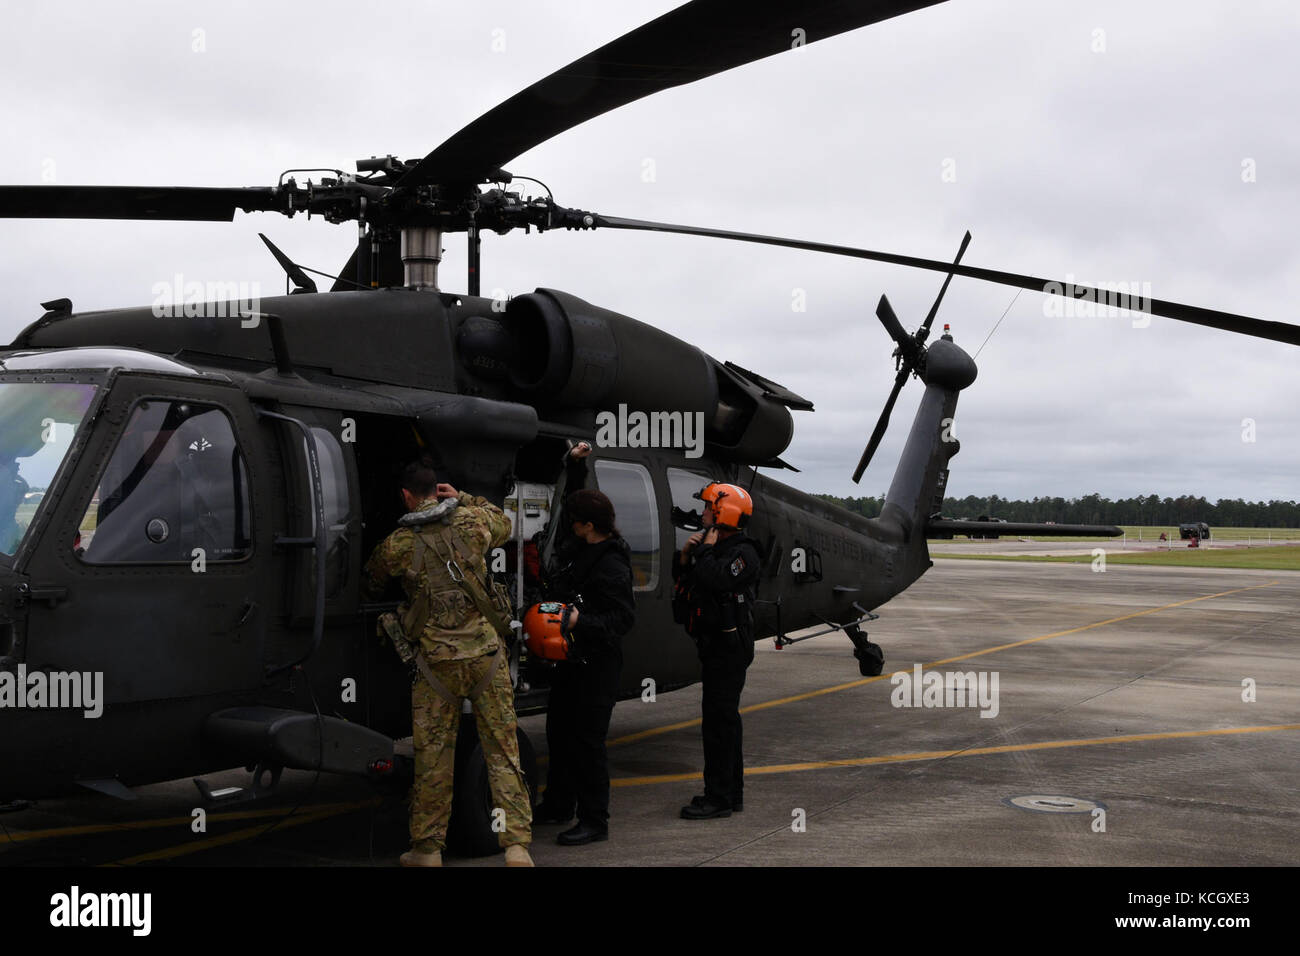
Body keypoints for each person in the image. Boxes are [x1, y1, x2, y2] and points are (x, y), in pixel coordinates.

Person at [362, 455, 533, 867]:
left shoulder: (398, 545)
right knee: (502, 750)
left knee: (433, 757)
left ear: (406, 496)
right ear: (437, 488)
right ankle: (516, 847)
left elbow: (371, 580)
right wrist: (466, 498)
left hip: (436, 666)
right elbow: (504, 523)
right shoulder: (473, 524)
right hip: (487, 660)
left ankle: (427, 849)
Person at [533, 443, 635, 845]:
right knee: (559, 733)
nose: (570, 526)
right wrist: (576, 467)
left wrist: (579, 620)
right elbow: (567, 512)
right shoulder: (581, 546)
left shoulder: (610, 563)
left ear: (589, 526)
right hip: (570, 664)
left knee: (588, 743)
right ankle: (559, 804)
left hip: (596, 666)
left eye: (577, 522)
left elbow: (622, 619)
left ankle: (595, 820)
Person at [672, 481, 760, 820]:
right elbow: (689, 585)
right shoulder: (718, 549)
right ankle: (728, 793)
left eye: (708, 508)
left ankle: (719, 798)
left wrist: (704, 552)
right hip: (715, 647)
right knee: (722, 722)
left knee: (720, 724)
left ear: (724, 513)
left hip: (729, 649)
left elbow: (718, 579)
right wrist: (684, 557)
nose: (703, 513)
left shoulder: (743, 553)